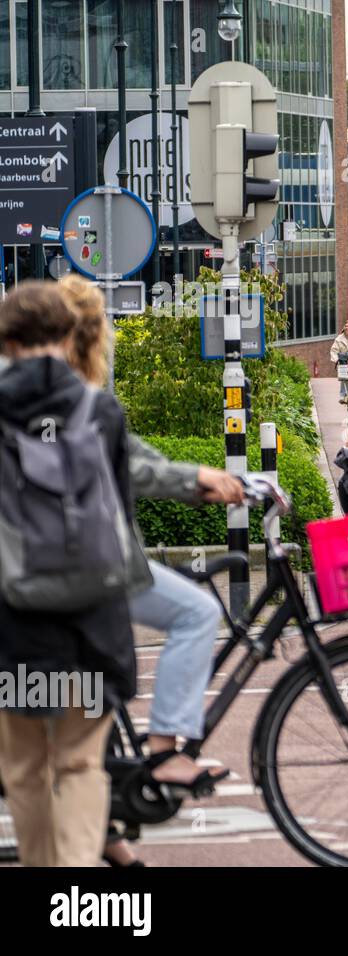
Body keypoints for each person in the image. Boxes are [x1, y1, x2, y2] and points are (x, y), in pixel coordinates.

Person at [60, 275, 244, 866]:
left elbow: (132, 456)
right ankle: (165, 750)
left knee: (93, 700)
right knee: (196, 612)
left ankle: (106, 828)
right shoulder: (68, 397)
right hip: (87, 565)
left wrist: (201, 478)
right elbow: (133, 468)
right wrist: (197, 480)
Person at [0, 281, 136, 866]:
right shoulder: (99, 410)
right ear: (67, 335)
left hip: (13, 627)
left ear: (6, 341)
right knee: (80, 763)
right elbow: (122, 524)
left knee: (25, 767)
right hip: (91, 629)